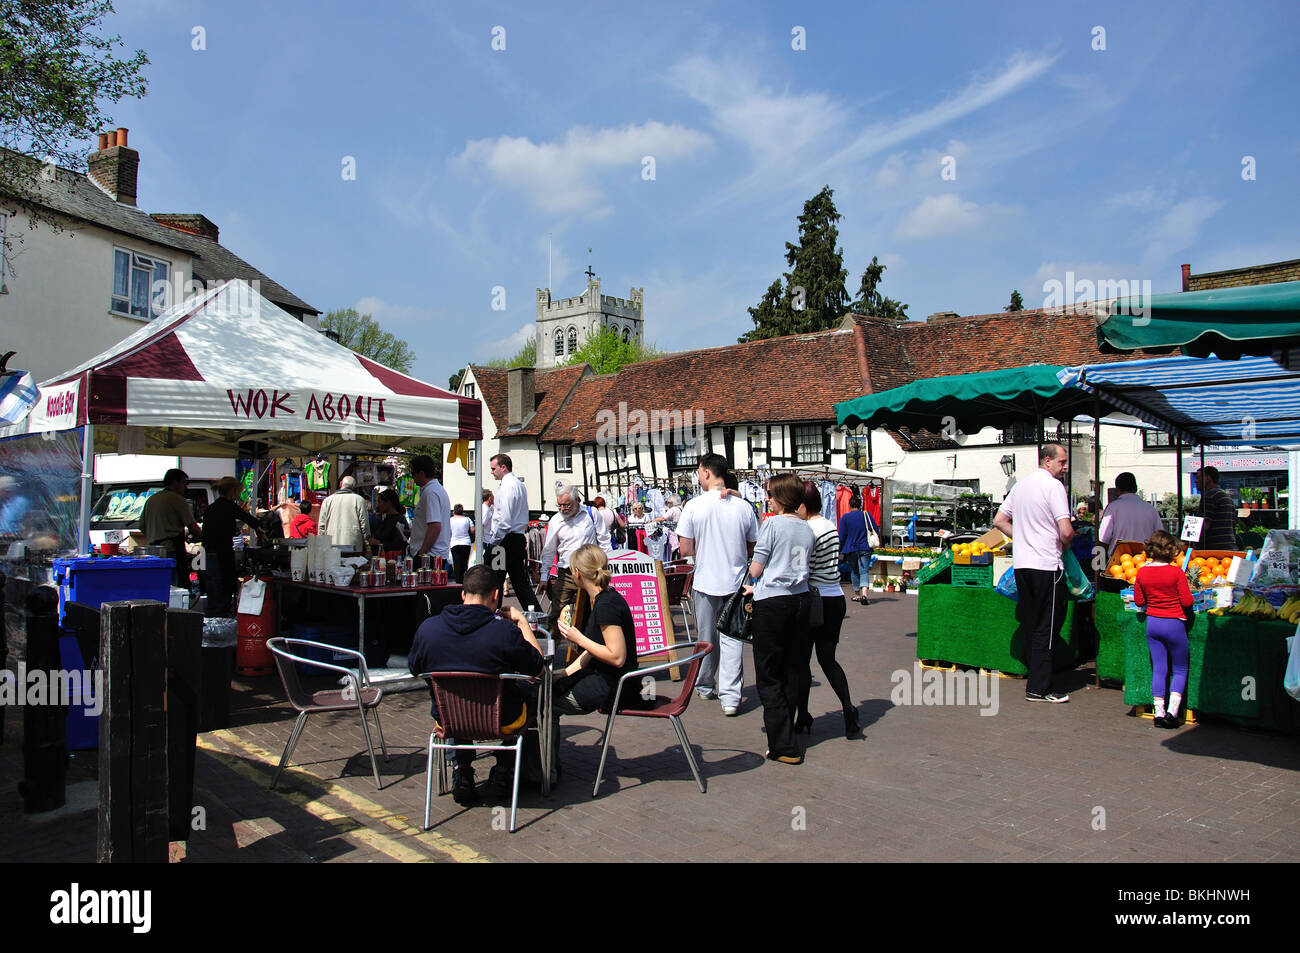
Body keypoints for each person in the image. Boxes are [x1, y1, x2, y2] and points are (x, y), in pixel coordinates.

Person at [407, 565, 544, 805]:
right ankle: (504, 769)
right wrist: (521, 621)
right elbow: (537, 667)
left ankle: (461, 769)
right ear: (495, 595)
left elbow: (414, 668)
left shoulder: (429, 630)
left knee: (452, 700)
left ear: (463, 594)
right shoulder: (503, 632)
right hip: (502, 719)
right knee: (533, 691)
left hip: (449, 720)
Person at [676, 453, 758, 716]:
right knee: (732, 638)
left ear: (707, 472)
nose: (698, 476)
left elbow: (685, 548)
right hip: (735, 582)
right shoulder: (743, 506)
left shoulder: (693, 506)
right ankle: (730, 696)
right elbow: (751, 547)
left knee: (706, 638)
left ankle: (704, 685)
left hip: (706, 580)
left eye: (699, 472)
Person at [993, 443, 1075, 704]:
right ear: (1047, 461)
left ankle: (1036, 681)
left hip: (1023, 565)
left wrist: (1023, 539)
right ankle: (1040, 687)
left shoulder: (1021, 486)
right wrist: (1065, 543)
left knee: (1032, 623)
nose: (1065, 467)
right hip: (1046, 565)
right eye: (1062, 462)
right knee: (1047, 627)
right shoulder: (1053, 487)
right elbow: (1066, 529)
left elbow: (999, 521)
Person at [745, 473, 814, 765]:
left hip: (772, 602)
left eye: (770, 494)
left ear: (782, 498)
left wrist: (750, 577)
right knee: (792, 668)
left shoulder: (772, 524)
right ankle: (789, 731)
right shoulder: (808, 528)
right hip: (801, 599)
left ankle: (783, 745)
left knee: (769, 673)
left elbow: (758, 568)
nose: (767, 499)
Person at [552, 544, 643, 737]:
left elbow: (617, 657)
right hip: (607, 681)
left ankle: (544, 767)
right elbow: (593, 652)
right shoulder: (605, 599)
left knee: (543, 703)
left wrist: (579, 638)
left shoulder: (606, 605)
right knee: (548, 690)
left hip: (612, 687)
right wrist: (564, 673)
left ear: (577, 573)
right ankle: (545, 764)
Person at [796, 481, 859, 738]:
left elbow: (802, 569)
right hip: (835, 596)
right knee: (828, 658)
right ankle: (848, 707)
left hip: (814, 599)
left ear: (803, 505)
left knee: (801, 661)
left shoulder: (807, 530)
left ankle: (803, 716)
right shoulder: (829, 525)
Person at [1132, 530, 1193, 729]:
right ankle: (1172, 713)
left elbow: (1140, 601)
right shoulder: (1176, 572)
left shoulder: (1142, 572)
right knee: (1180, 669)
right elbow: (1187, 601)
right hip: (1174, 623)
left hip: (1153, 624)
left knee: (1159, 669)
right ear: (1171, 550)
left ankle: (1158, 712)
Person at [201, 476, 264, 616]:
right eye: (237, 492)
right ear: (232, 491)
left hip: (206, 557)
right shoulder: (228, 505)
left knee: (212, 598)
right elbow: (250, 520)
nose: (237, 496)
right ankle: (219, 632)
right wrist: (260, 529)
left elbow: (215, 529)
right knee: (221, 598)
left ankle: (210, 632)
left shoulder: (211, 508)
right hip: (219, 557)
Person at [540, 481, 597, 633]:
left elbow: (604, 541)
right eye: (559, 505)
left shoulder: (591, 514)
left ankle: (591, 651)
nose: (563, 509)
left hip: (590, 572)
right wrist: (544, 576)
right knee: (557, 614)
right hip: (567, 574)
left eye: (567, 505)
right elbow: (549, 550)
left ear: (576, 499)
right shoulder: (556, 521)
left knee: (593, 614)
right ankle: (551, 652)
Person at [484, 454, 537, 611]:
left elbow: (504, 520)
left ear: (503, 467)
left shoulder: (507, 486)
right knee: (519, 582)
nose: (491, 472)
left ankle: (491, 615)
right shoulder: (518, 484)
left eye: (493, 469)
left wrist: (494, 542)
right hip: (515, 538)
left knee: (495, 581)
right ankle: (536, 616)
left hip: (505, 541)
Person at [141, 468, 202, 587]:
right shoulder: (178, 500)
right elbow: (193, 527)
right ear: (175, 483)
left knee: (159, 584)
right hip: (171, 549)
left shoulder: (151, 499)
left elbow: (142, 526)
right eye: (184, 483)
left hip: (154, 551)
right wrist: (203, 538)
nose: (186, 487)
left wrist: (154, 535)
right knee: (174, 586)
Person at [1098, 473, 1164, 557]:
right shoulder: (1150, 509)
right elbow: (1159, 537)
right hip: (1145, 559)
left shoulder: (1113, 508)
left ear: (1117, 489)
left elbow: (1103, 538)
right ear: (1135, 488)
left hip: (1119, 562)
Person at [408, 454, 451, 562]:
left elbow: (435, 526)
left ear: (421, 473)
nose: (412, 477)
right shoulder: (436, 489)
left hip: (430, 555)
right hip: (434, 554)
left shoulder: (430, 492)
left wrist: (422, 552)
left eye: (413, 473)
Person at [837, 495, 875, 605]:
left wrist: (840, 548)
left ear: (849, 505)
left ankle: (857, 594)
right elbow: (875, 529)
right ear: (861, 505)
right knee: (864, 571)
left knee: (854, 571)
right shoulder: (866, 515)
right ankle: (865, 594)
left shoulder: (845, 517)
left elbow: (842, 536)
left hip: (851, 548)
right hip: (864, 546)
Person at [317, 475, 369, 551]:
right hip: (353, 546)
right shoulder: (359, 500)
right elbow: (364, 526)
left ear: (341, 484)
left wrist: (321, 546)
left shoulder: (327, 501)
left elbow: (321, 526)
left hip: (331, 545)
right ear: (354, 487)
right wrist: (367, 545)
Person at [1197, 466, 1238, 550]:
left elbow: (1205, 525)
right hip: (1229, 546)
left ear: (1208, 478)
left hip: (1214, 549)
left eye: (1198, 478)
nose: (1196, 480)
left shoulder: (1209, 496)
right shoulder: (1226, 496)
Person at [369, 488, 410, 554]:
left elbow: (400, 543)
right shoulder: (385, 518)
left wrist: (379, 543)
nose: (378, 505)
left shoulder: (399, 520)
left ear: (388, 503)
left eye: (380, 502)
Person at [448, 504, 475, 583]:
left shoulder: (451, 520)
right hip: (466, 543)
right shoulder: (467, 519)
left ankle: (458, 581)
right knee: (464, 563)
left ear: (454, 511)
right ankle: (464, 579)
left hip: (454, 543)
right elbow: (473, 530)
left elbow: (448, 532)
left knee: (457, 563)